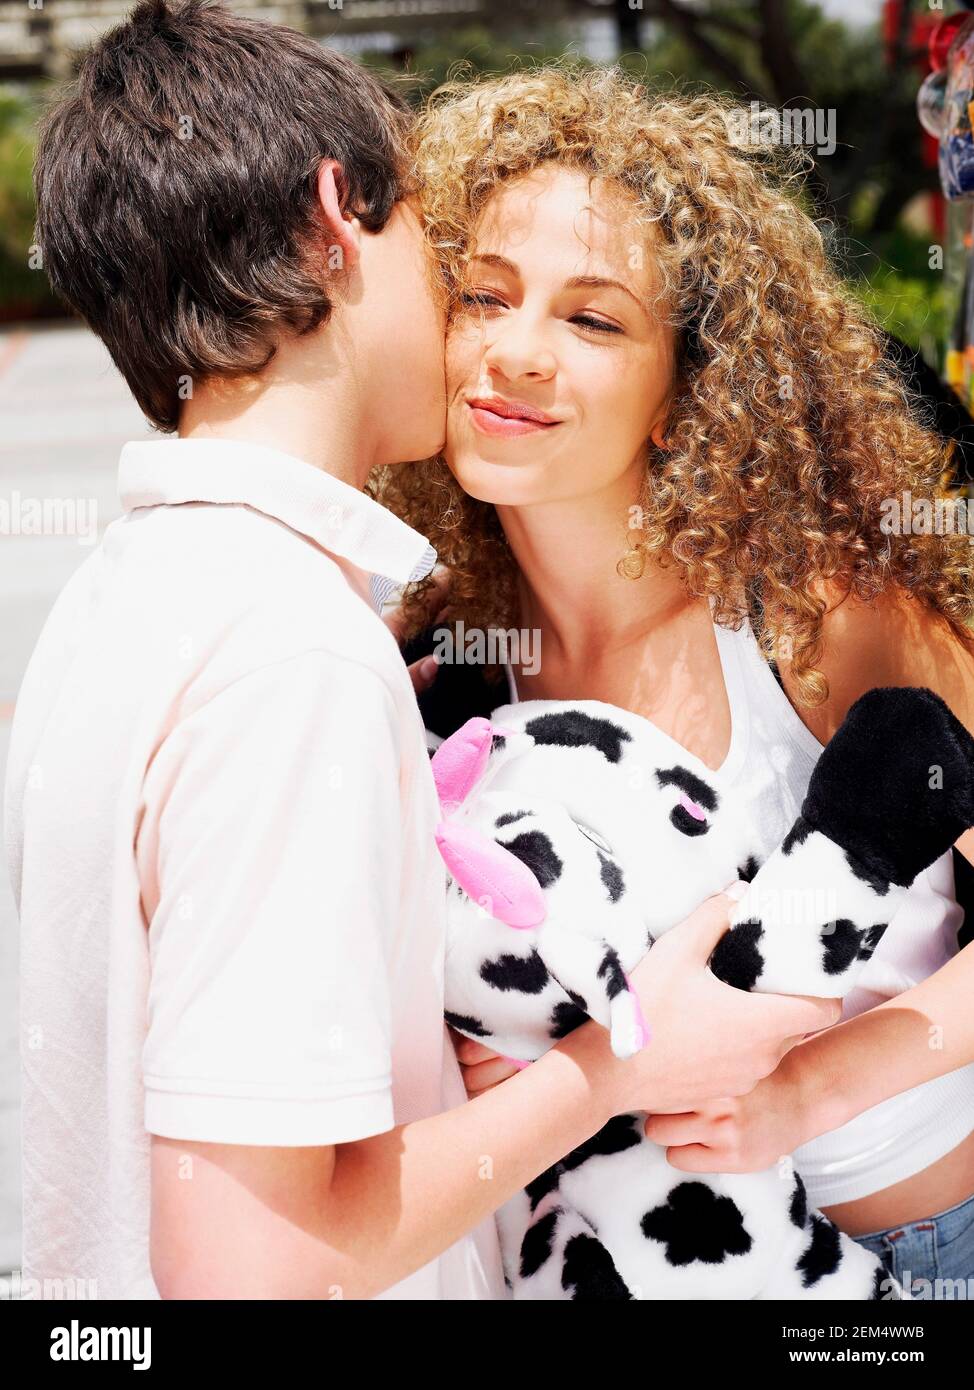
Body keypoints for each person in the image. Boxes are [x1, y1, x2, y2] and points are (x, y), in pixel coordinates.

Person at [3, 4, 831, 1301]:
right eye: (438, 251)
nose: (461, 306)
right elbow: (255, 1264)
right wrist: (622, 1058)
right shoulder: (295, 653)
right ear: (339, 217)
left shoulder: (122, 596)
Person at [382, 66, 974, 1294]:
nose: (519, 351)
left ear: (682, 395)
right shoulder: (441, 670)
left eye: (593, 320)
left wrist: (804, 1085)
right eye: (482, 296)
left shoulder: (806, 609)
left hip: (914, 1260)